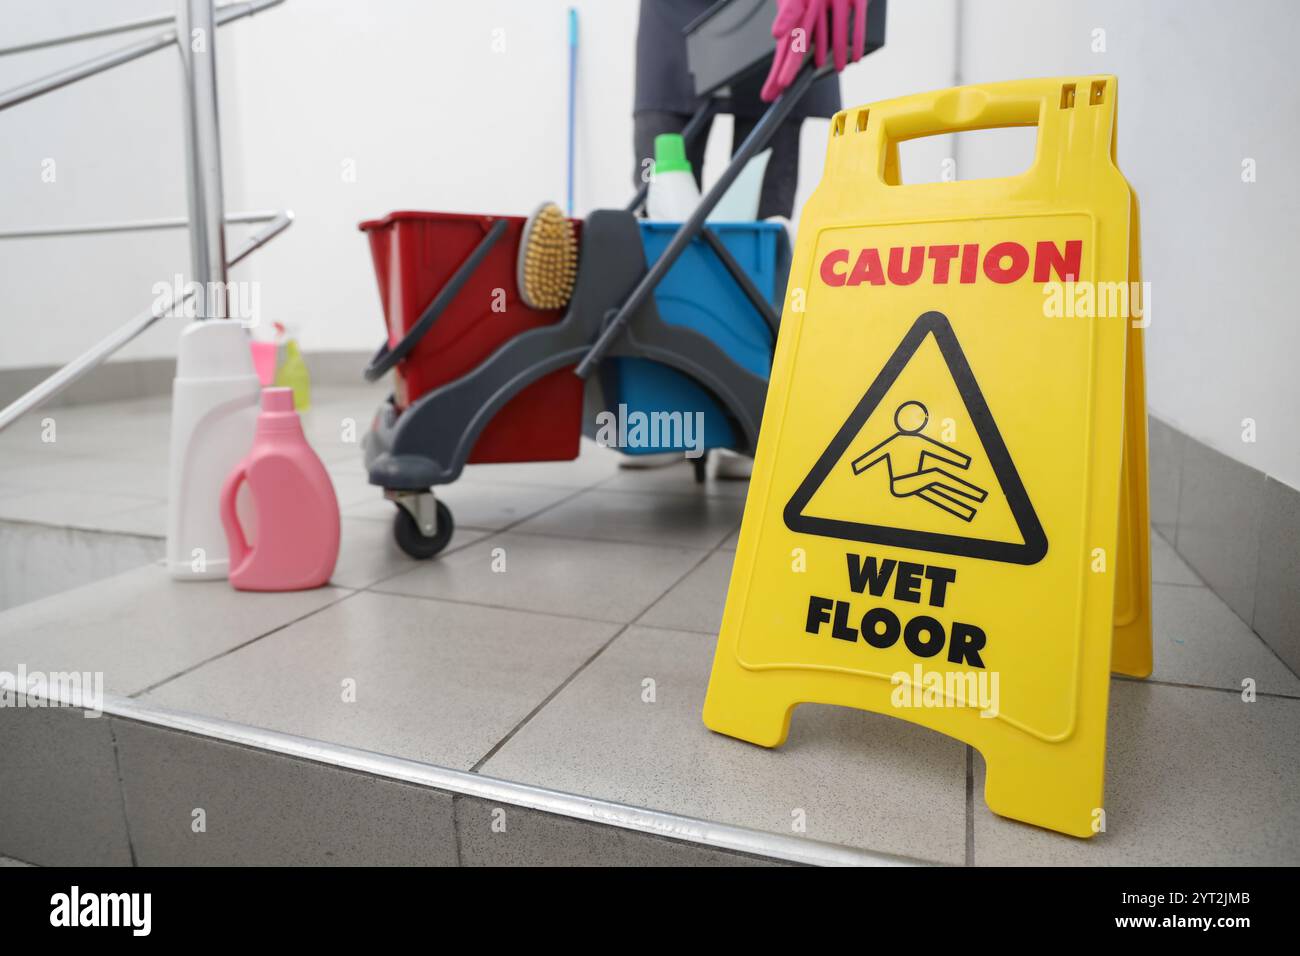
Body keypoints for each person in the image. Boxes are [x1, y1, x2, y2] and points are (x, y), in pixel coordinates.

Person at [626, 0, 871, 475]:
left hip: (781, 10)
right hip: (673, 13)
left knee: (764, 218)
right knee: (659, 209)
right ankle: (667, 412)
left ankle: (746, 413)